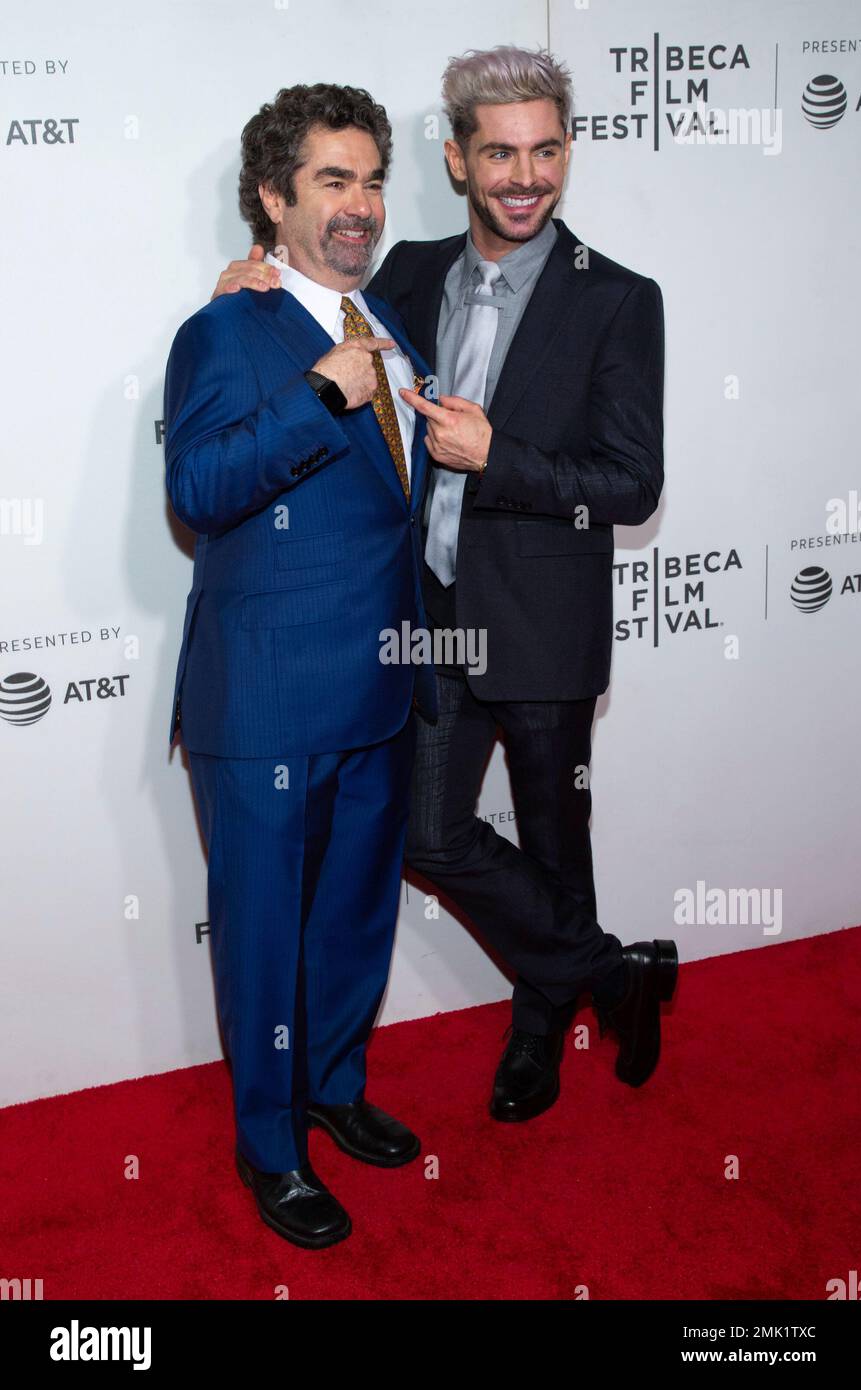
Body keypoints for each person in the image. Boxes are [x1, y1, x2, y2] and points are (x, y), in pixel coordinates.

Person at [211, 46, 677, 1128]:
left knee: (558, 845)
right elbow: (317, 309)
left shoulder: (615, 299)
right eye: (500, 154)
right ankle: (611, 975)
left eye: (545, 151)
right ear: (459, 160)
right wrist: (251, 272)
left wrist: (497, 456)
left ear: (565, 153)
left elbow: (631, 481)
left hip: (545, 622)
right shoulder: (407, 273)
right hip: (424, 620)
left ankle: (537, 1029)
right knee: (424, 830)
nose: (525, 177)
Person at [164, 82, 436, 1250]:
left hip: (376, 689)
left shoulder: (385, 321)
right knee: (267, 932)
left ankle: (332, 1085)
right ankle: (268, 1145)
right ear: (273, 198)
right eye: (331, 179)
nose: (360, 203)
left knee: (351, 919)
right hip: (265, 703)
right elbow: (197, 491)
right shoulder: (224, 329)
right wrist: (320, 395)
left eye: (371, 177)